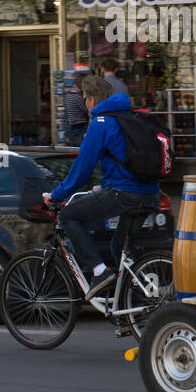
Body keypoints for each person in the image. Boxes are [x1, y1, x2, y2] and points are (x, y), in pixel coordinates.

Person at [43, 75, 159, 297]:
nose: (85, 105)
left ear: (93, 99)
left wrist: (57, 196)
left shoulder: (101, 123)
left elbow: (81, 170)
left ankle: (99, 271)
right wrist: (103, 185)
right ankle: (136, 307)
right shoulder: (130, 118)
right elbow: (124, 162)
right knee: (121, 250)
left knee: (68, 216)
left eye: (85, 99)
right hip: (150, 194)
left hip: (123, 194)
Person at [62, 74, 90, 146]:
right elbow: (87, 109)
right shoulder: (77, 97)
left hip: (72, 124)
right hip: (79, 125)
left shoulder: (68, 95)